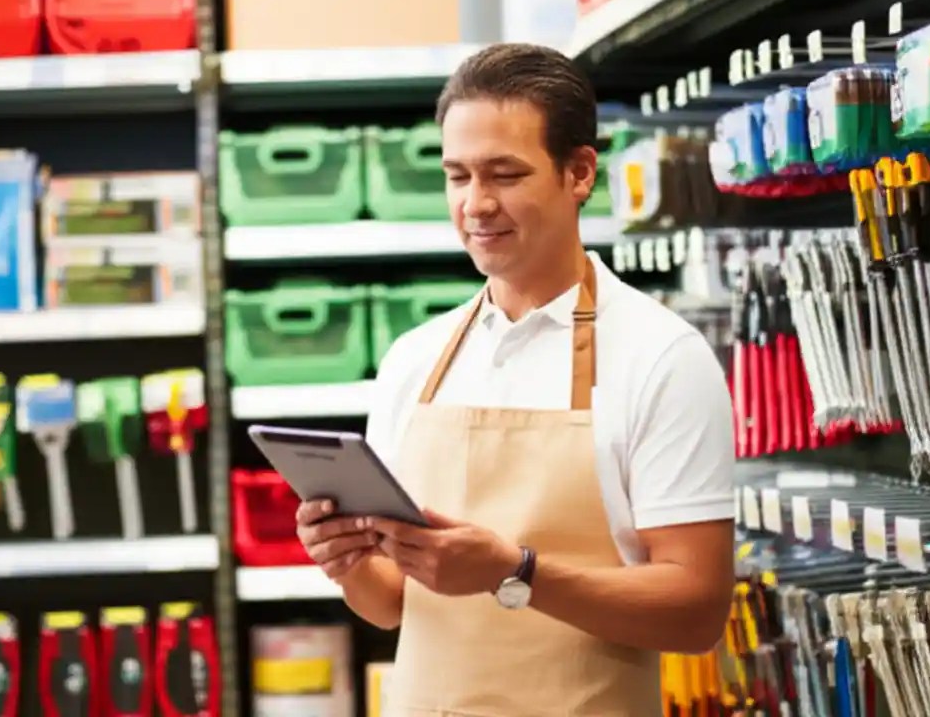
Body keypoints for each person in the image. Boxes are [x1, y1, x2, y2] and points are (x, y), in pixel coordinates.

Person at [295, 42, 736, 716]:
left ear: (580, 171)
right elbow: (388, 606)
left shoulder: (660, 356)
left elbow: (696, 613)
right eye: (457, 176)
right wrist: (345, 557)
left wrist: (517, 572)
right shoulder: (416, 359)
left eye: (504, 173)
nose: (476, 204)